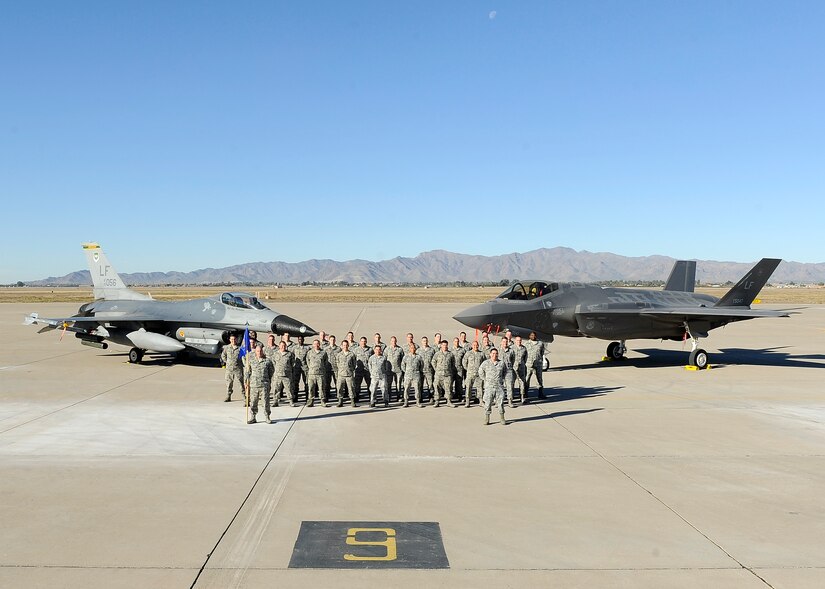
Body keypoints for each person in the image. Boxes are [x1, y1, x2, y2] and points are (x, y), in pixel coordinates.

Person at [245, 345, 274, 424]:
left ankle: (267, 417)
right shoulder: (251, 361)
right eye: (258, 351)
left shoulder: (267, 361)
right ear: (255, 352)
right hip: (254, 385)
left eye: (260, 351)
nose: (259, 352)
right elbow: (247, 372)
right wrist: (246, 383)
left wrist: (266, 380)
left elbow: (271, 372)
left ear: (262, 351)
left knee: (265, 402)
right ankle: (253, 417)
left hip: (264, 385)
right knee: (253, 402)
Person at [478, 348, 508, 425]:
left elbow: (505, 372)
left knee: (500, 403)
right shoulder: (486, 363)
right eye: (493, 353)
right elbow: (480, 371)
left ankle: (502, 418)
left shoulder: (501, 363)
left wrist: (501, 379)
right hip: (489, 387)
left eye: (496, 354)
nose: (495, 355)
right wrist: (485, 379)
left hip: (499, 387)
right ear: (490, 354)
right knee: (488, 403)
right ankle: (487, 418)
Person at [220, 334, 245, 402]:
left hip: (238, 369)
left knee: (241, 383)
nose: (233, 341)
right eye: (232, 339)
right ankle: (228, 396)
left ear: (236, 340)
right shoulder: (227, 348)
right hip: (229, 369)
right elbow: (223, 355)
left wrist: (243, 365)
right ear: (230, 340)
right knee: (229, 383)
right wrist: (227, 362)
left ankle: (244, 396)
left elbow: (243, 358)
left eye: (234, 339)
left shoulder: (240, 349)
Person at [431, 340, 456, 407]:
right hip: (438, 374)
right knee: (437, 387)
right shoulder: (437, 354)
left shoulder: (450, 354)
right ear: (441, 346)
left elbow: (453, 364)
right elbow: (433, 362)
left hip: (447, 375)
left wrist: (450, 370)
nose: (445, 346)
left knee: (448, 388)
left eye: (446, 345)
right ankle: (437, 401)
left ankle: (449, 401)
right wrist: (436, 369)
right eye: (443, 345)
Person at [304, 339, 328, 407]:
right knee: (311, 388)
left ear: (319, 344)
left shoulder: (323, 352)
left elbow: (326, 362)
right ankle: (311, 401)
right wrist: (311, 368)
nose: (316, 345)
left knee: (321, 388)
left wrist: (321, 368)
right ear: (313, 345)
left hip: (320, 374)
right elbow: (307, 361)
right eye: (315, 344)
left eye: (317, 343)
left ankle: (322, 401)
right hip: (312, 374)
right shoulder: (310, 352)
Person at [270, 340, 294, 407]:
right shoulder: (275, 354)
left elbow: (292, 363)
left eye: (284, 346)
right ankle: (275, 401)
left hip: (287, 375)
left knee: (289, 389)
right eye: (281, 346)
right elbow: (273, 363)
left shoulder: (290, 354)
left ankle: (291, 401)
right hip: (277, 375)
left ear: (286, 346)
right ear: (279, 346)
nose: (283, 347)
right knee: (276, 389)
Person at [462, 340, 486, 407]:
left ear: (478, 346)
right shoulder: (468, 353)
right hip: (470, 373)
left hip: (479, 374)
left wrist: (482, 371)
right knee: (468, 387)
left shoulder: (481, 354)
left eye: (476, 345)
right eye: (474, 345)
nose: (475, 346)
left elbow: (484, 363)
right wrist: (468, 369)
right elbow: (464, 362)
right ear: (472, 346)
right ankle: (468, 401)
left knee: (480, 387)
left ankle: (481, 401)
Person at [525, 332, 547, 399]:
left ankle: (540, 393)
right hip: (529, 364)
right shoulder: (526, 344)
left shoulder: (540, 343)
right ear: (529, 336)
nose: (533, 336)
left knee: (539, 379)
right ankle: (525, 393)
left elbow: (542, 352)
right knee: (527, 379)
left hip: (538, 364)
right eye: (531, 335)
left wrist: (540, 360)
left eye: (534, 335)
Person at [401, 342, 424, 407]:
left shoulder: (418, 357)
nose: (413, 349)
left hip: (416, 375)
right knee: (406, 389)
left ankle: (418, 402)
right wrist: (406, 371)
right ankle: (406, 402)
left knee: (417, 389)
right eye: (411, 348)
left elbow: (422, 365)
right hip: (408, 375)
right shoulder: (406, 356)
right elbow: (403, 365)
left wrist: (418, 371)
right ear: (409, 349)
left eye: (414, 348)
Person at [336, 340, 358, 406]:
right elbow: (337, 363)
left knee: (351, 387)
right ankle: (340, 401)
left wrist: (351, 370)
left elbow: (354, 363)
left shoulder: (351, 354)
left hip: (349, 374)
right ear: (342, 346)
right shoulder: (339, 354)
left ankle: (352, 401)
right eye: (344, 345)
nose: (345, 346)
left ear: (348, 346)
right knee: (339, 388)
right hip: (341, 374)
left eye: (346, 345)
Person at [384, 336, 405, 401]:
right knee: (388, 384)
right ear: (390, 341)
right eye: (392, 341)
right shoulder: (387, 349)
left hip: (398, 370)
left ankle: (398, 396)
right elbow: (384, 359)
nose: (394, 342)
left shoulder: (400, 349)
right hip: (389, 370)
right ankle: (389, 396)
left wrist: (402, 369)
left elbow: (403, 359)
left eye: (395, 341)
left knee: (398, 384)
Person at [499, 336, 517, 408]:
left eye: (506, 342)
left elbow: (513, 359)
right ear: (501, 342)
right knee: (500, 386)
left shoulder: (511, 351)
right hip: (500, 370)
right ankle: (500, 401)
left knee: (509, 386)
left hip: (508, 370)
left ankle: (510, 401)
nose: (505, 343)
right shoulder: (498, 350)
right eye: (503, 342)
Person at [291, 335, 310, 402]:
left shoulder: (307, 348)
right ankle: (295, 397)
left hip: (305, 367)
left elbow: (309, 357)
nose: (300, 340)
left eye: (301, 339)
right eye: (299, 339)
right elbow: (291, 356)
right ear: (297, 340)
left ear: (303, 340)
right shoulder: (294, 348)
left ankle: (308, 397)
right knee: (295, 383)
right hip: (296, 368)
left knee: (307, 383)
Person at [511, 335, 529, 404]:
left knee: (522, 383)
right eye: (518, 340)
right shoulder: (512, 348)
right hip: (514, 368)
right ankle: (511, 397)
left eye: (520, 340)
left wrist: (523, 364)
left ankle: (522, 397)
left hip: (521, 368)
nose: (519, 342)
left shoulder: (524, 348)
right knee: (512, 382)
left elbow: (525, 358)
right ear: (515, 341)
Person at [419, 336, 436, 402]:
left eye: (426, 341)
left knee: (430, 385)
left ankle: (431, 397)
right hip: (421, 370)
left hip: (429, 370)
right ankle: (420, 397)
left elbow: (434, 360)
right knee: (420, 385)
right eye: (423, 341)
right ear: (421, 342)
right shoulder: (419, 350)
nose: (425, 342)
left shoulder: (432, 350)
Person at [451, 337, 467, 402]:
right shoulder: (450, 350)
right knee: (451, 383)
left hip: (460, 368)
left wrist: (464, 367)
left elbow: (465, 359)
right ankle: (452, 395)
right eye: (455, 341)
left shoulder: (462, 350)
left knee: (459, 383)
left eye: (457, 341)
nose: (456, 343)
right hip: (452, 369)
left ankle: (459, 395)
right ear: (453, 342)